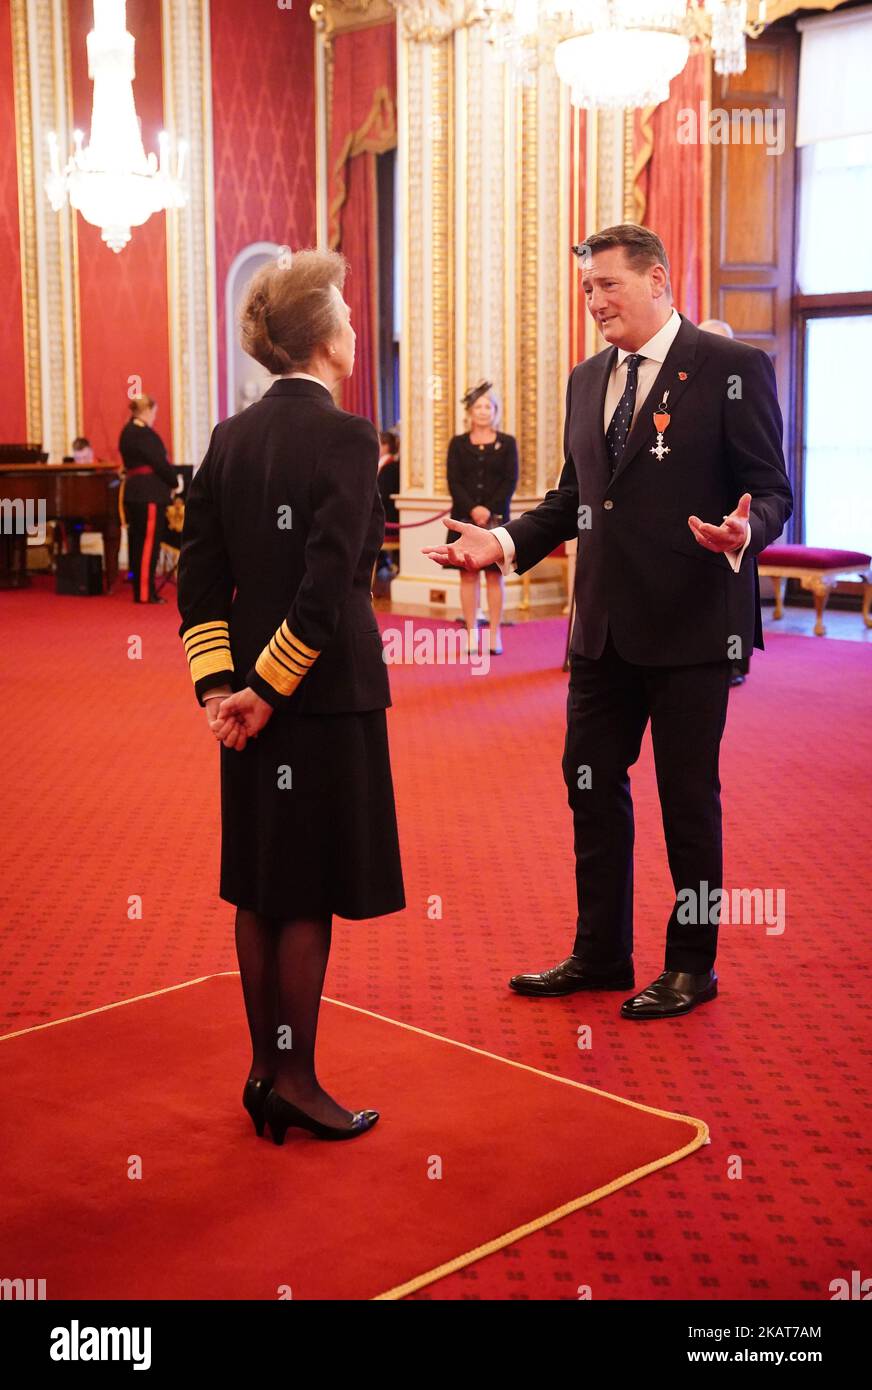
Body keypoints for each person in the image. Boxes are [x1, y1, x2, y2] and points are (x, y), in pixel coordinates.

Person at [424, 223, 792, 1020]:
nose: (592, 301)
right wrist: (499, 541)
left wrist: (746, 531)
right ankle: (601, 952)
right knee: (588, 783)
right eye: (586, 288)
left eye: (607, 286)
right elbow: (572, 499)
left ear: (657, 280)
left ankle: (693, 964)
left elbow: (772, 491)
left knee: (687, 799)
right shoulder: (586, 380)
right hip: (601, 633)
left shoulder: (732, 368)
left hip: (694, 627)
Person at [177, 248, 404, 1144]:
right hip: (321, 695)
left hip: (246, 706)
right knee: (305, 891)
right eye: (346, 312)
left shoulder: (229, 438)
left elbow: (198, 582)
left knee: (261, 888)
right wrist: (268, 691)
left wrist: (222, 688)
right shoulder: (349, 438)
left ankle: (264, 1075)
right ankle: (299, 1080)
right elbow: (326, 587)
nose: (354, 324)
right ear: (322, 338)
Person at [445, 382, 518, 654]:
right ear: (470, 411)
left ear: (496, 411)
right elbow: (454, 481)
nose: (484, 411)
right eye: (478, 406)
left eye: (488, 406)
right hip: (464, 519)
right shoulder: (458, 443)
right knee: (467, 577)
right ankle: (471, 634)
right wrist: (473, 509)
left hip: (497, 520)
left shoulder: (508, 443)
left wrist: (487, 508)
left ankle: (495, 635)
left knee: (494, 578)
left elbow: (510, 481)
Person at [699, 318, 750, 687]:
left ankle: (737, 661)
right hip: (698, 508)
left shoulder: (743, 387)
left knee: (735, 587)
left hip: (737, 509)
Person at [120, 395, 177, 604]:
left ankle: (141, 590)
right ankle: (145, 593)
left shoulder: (127, 432)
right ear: (146, 411)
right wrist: (174, 481)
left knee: (138, 543)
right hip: (149, 494)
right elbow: (160, 463)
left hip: (134, 493)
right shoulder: (144, 434)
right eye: (153, 412)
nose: (154, 417)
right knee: (148, 546)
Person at [376, 429, 400, 578]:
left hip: (389, 521)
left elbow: (383, 497)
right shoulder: (383, 466)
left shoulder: (390, 467)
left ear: (385, 446)